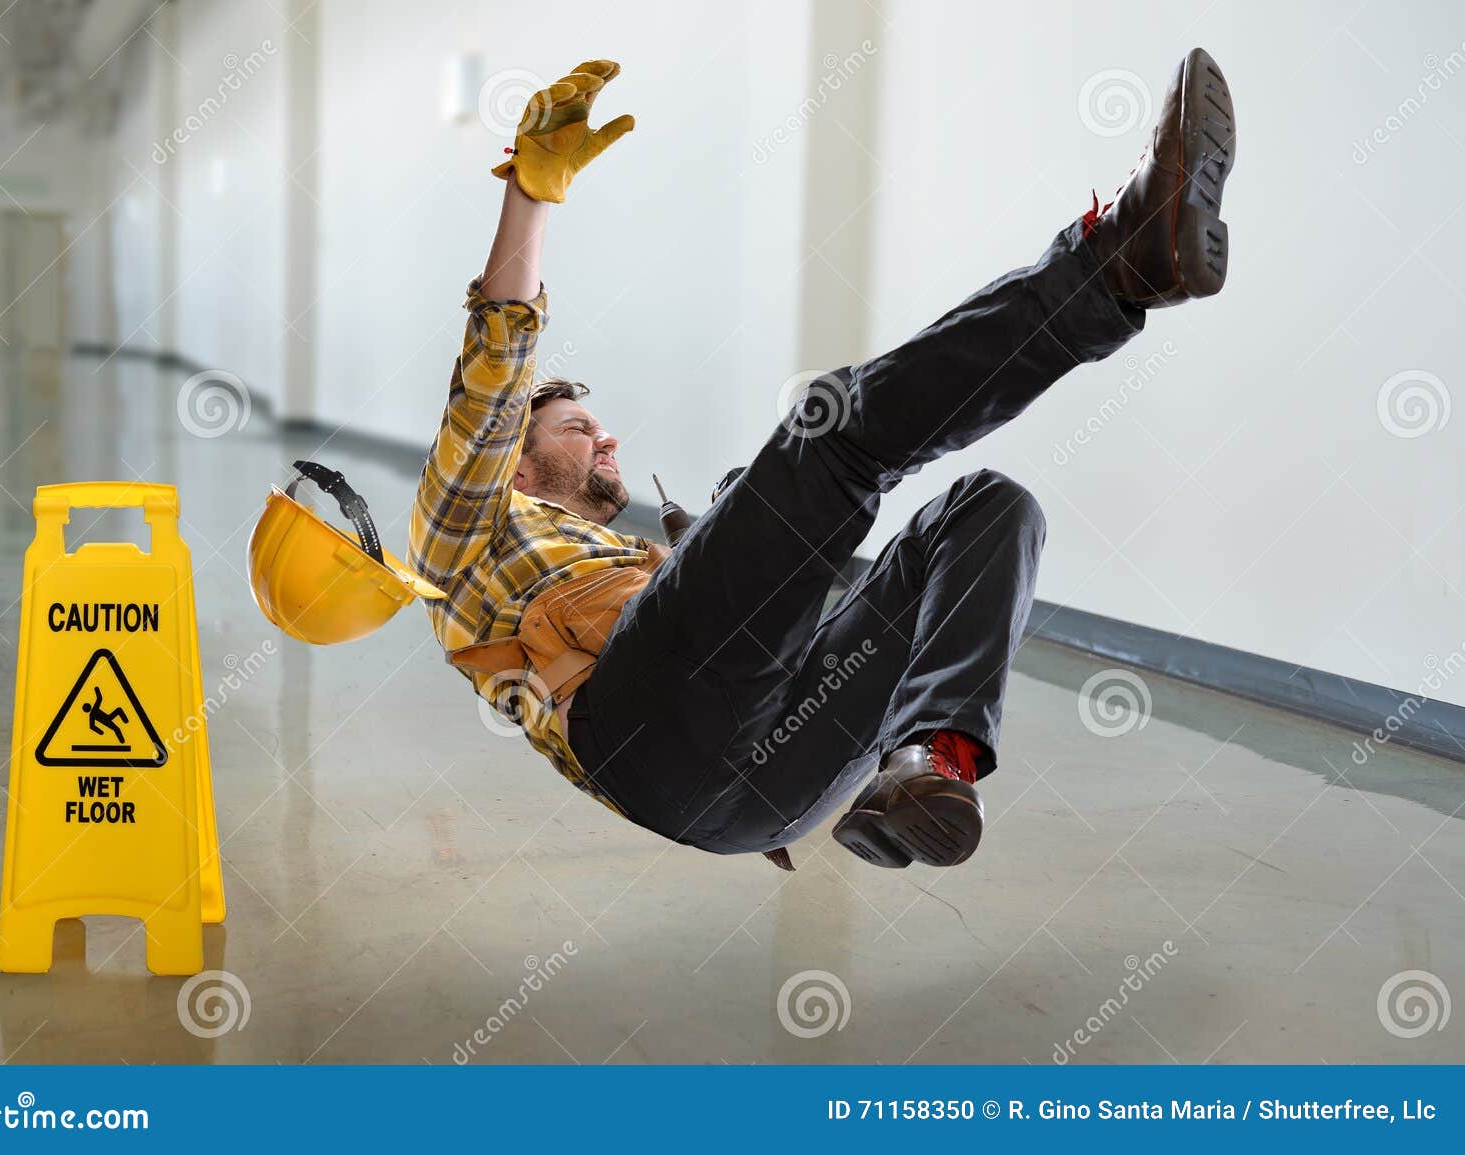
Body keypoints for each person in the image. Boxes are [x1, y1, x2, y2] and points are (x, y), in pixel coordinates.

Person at [408, 51, 1236, 871]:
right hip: (638, 740)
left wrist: (722, 541)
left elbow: (734, 645)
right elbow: (493, 380)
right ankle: (1112, 265)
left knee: (990, 507)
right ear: (515, 469)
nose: (606, 438)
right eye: (575, 428)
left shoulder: (626, 555)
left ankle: (929, 760)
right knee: (830, 436)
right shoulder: (464, 532)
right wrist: (528, 195)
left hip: (763, 798)